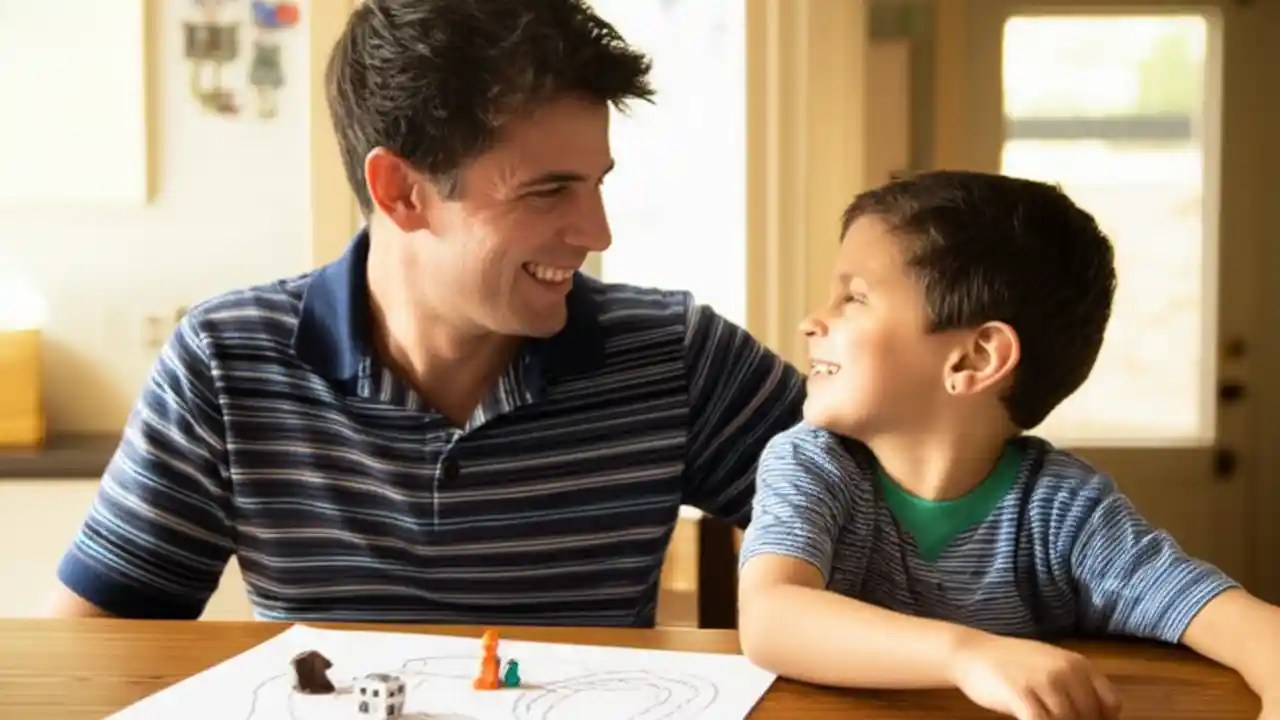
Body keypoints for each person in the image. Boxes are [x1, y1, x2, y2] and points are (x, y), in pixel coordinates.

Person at [47, 0, 803, 625]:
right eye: (548, 191)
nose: (597, 232)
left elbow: (895, 531)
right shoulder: (224, 361)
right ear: (401, 192)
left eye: (597, 182)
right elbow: (95, 647)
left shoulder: (676, 355)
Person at [736, 170, 1280, 719]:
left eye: (854, 297)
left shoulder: (1067, 513)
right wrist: (968, 656)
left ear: (975, 360)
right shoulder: (811, 464)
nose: (811, 321)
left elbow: (1252, 628)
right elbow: (772, 619)